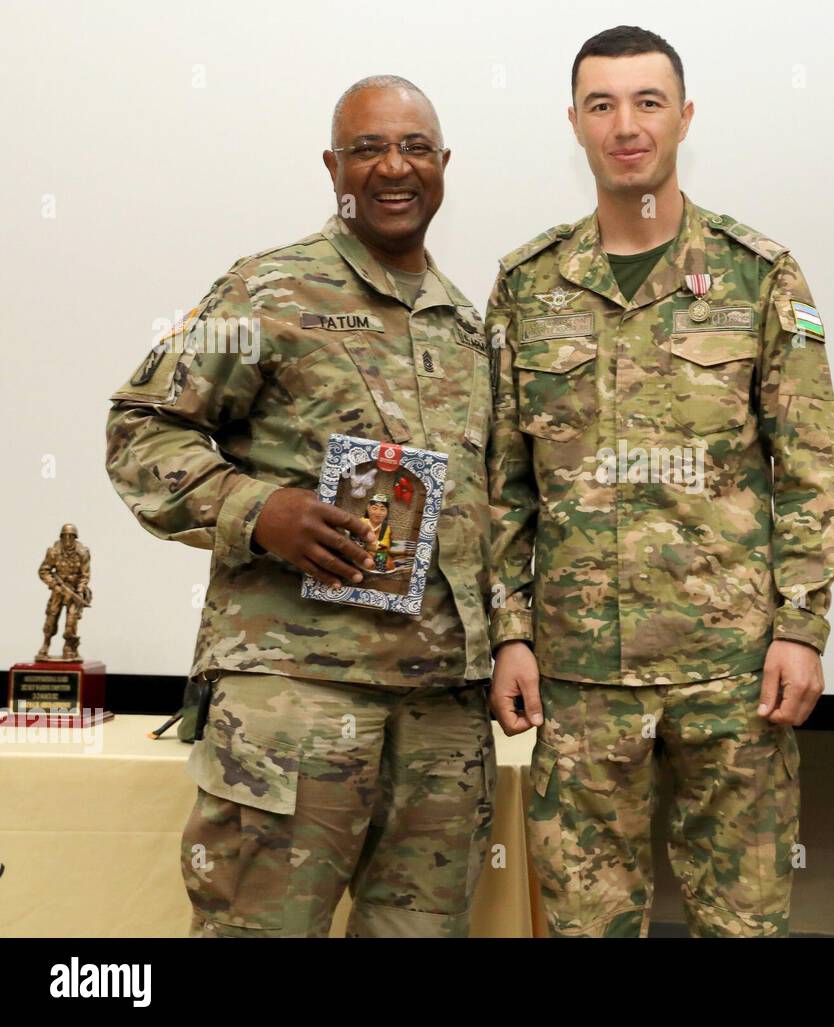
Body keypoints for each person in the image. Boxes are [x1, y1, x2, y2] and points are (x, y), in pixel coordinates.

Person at [105, 76, 496, 938]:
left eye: (415, 148)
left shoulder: (468, 325)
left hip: (440, 717)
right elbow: (140, 429)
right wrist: (260, 509)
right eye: (368, 149)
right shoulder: (267, 290)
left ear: (443, 165)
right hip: (295, 702)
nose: (394, 168)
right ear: (333, 167)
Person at [487, 25, 834, 937]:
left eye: (648, 102)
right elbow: (502, 487)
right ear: (573, 123)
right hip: (577, 678)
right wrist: (509, 633)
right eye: (602, 104)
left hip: (732, 676)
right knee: (582, 926)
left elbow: (812, 469)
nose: (626, 125)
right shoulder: (527, 286)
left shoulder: (758, 273)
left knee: (743, 925)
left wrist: (802, 626)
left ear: (684, 116)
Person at [37, 524, 92, 661]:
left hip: (73, 590)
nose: (68, 539)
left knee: (71, 621)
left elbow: (85, 575)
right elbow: (44, 571)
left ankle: (69, 647)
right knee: (51, 617)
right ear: (61, 537)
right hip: (58, 589)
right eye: (65, 536)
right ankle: (46, 644)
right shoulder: (54, 551)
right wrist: (55, 586)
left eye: (71, 536)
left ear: (75, 537)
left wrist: (79, 591)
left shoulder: (82, 553)